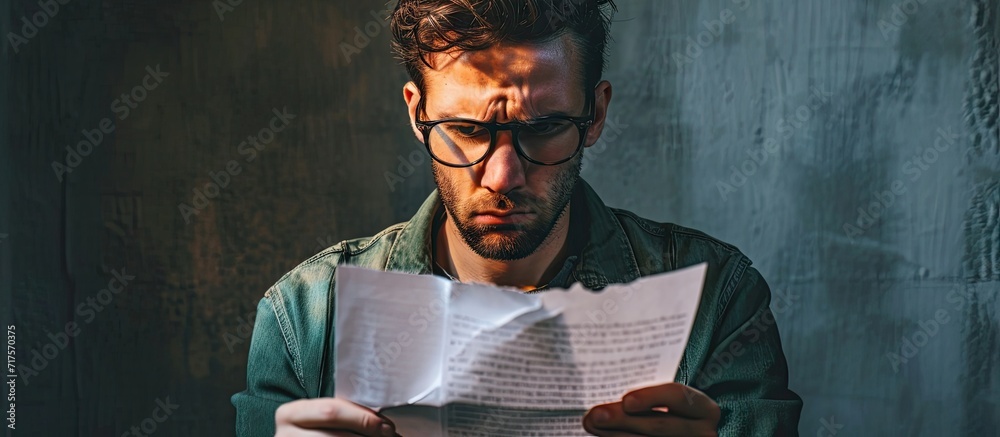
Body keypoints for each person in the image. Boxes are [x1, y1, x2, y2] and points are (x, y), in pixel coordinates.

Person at [231, 0, 803, 435]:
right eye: (466, 130)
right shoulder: (303, 317)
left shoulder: (718, 299)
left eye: (543, 128)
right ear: (417, 113)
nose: (502, 176)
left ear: (596, 113)